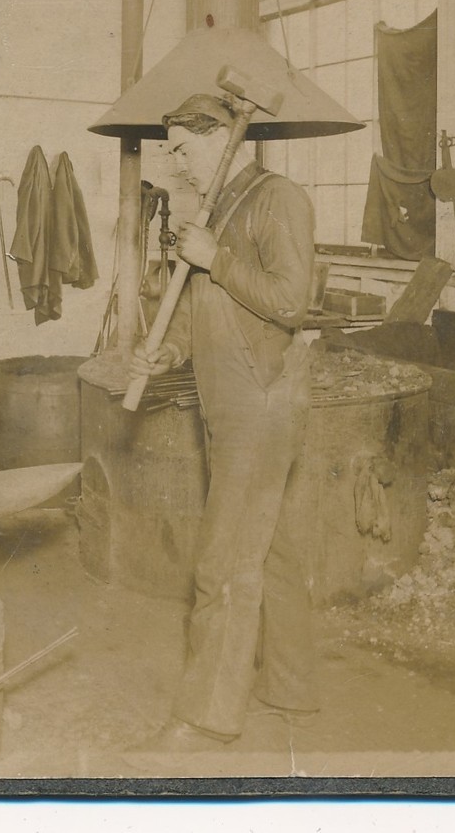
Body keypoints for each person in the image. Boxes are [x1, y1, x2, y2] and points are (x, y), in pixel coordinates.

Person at [128, 93, 318, 751]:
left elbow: (292, 302)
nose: (177, 164)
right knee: (274, 547)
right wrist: (167, 350)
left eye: (183, 148)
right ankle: (291, 684)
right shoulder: (211, 210)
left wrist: (217, 258)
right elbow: (201, 308)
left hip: (261, 402)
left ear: (221, 138)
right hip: (230, 396)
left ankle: (207, 713)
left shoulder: (276, 197)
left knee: (226, 558)